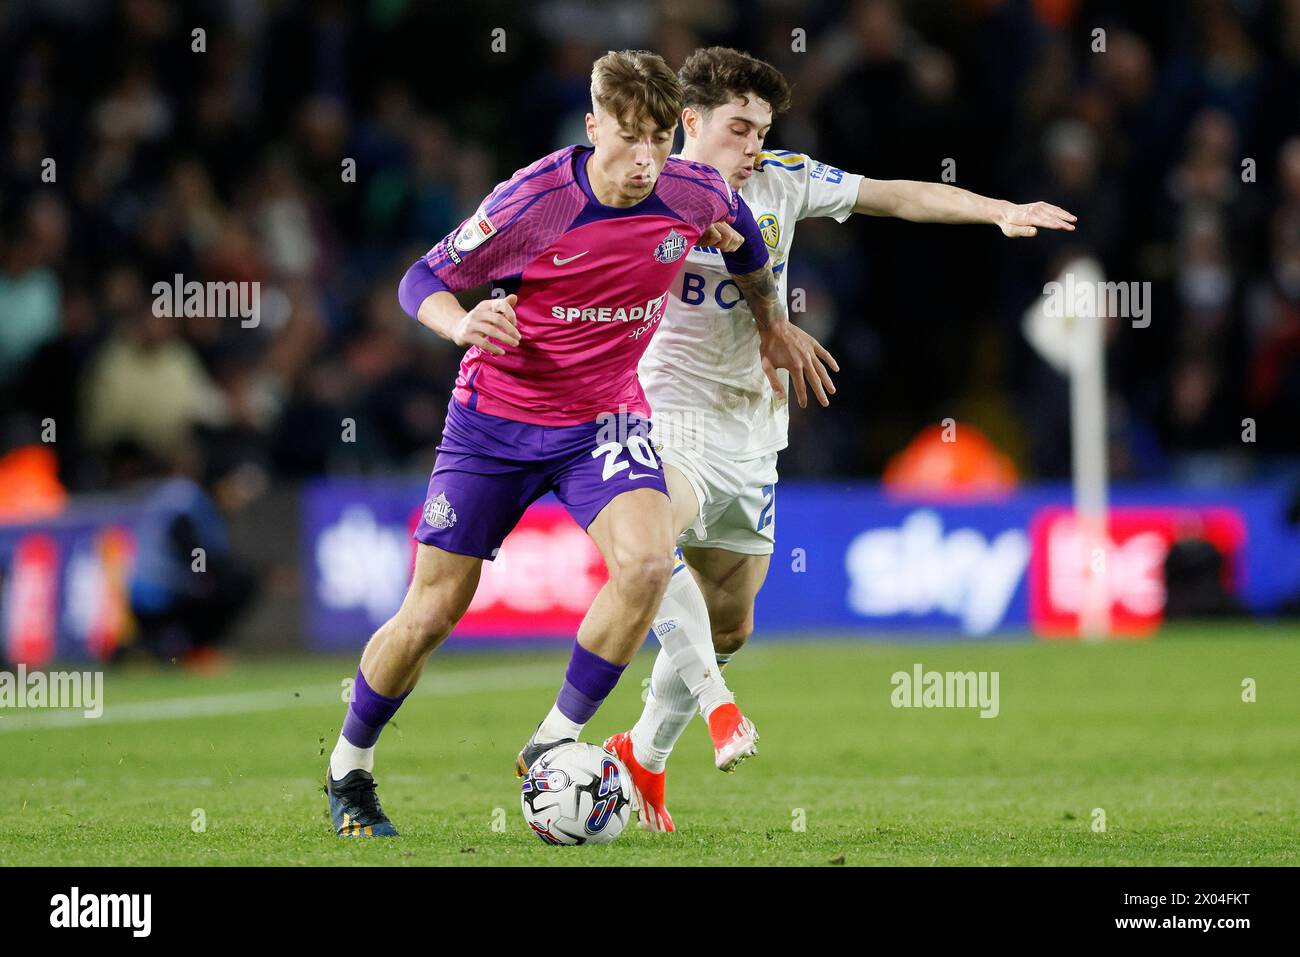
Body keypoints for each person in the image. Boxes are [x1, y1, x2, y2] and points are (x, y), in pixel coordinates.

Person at [323, 49, 837, 838]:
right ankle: (350, 768)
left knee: (643, 562)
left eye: (660, 140)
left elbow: (748, 246)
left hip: (604, 419)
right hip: (493, 422)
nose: (644, 161)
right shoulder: (531, 201)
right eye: (628, 139)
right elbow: (419, 280)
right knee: (432, 610)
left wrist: (770, 321)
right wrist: (460, 323)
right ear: (592, 125)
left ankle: (553, 742)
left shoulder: (694, 188)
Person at [606, 47, 1076, 832]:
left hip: (752, 424)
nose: (753, 144)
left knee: (732, 623)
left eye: (761, 129)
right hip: (661, 407)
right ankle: (716, 715)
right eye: (738, 127)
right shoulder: (639, 183)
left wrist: (995, 210)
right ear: (689, 121)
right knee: (656, 547)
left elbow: (895, 197)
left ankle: (642, 755)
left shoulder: (784, 179)